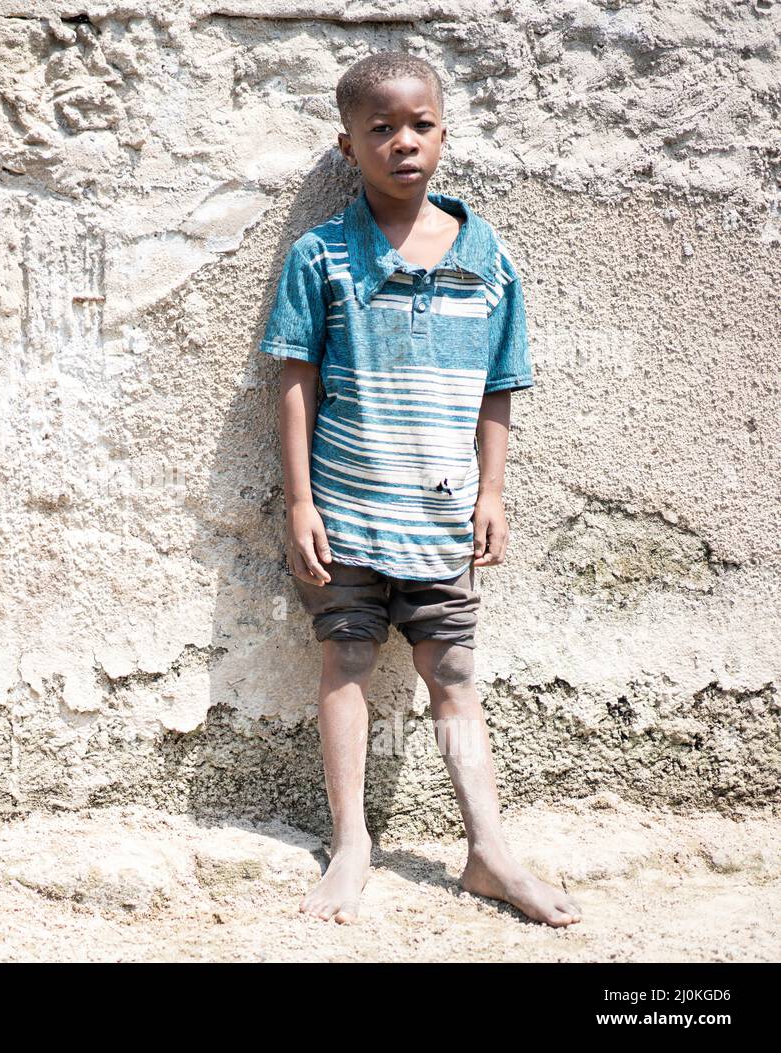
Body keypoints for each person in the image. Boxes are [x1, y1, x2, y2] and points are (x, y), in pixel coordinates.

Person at [258, 51, 583, 927]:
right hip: (350, 511)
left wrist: (493, 491)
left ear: (443, 132)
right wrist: (300, 503)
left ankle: (489, 851)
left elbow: (498, 385)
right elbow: (294, 378)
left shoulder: (486, 258)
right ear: (347, 145)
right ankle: (353, 842)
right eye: (381, 129)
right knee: (347, 661)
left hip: (442, 510)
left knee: (454, 673)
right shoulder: (321, 255)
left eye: (420, 125)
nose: (403, 142)